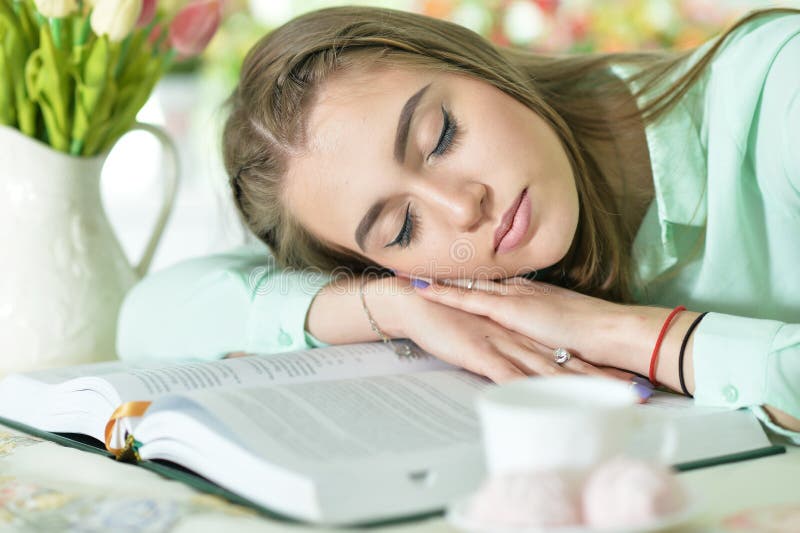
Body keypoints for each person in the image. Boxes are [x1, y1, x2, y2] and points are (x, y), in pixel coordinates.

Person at [116, 6, 800, 442]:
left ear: (473, 61)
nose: (461, 206)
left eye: (440, 135)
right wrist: (395, 307)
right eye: (401, 229)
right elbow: (148, 317)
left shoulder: (778, 93)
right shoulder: (425, 277)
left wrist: (623, 335)